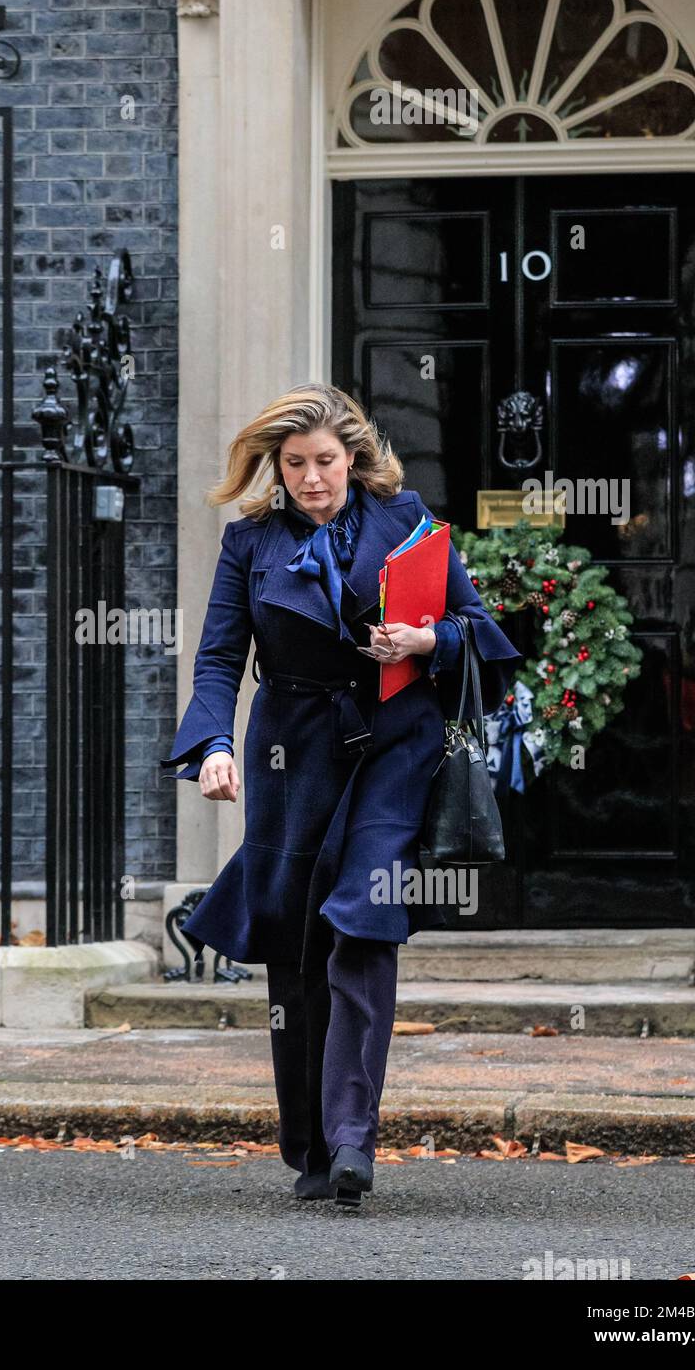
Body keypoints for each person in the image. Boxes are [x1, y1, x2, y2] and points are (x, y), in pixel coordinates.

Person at [160, 383, 522, 1207]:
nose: (313, 479)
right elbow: (220, 659)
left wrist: (426, 638)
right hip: (292, 752)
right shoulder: (249, 542)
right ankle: (311, 1147)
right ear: (275, 467)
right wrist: (212, 744)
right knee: (296, 946)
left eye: (326, 461)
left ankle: (354, 1138)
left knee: (361, 921)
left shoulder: (409, 524)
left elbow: (481, 630)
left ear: (353, 458)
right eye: (296, 465)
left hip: (394, 745)